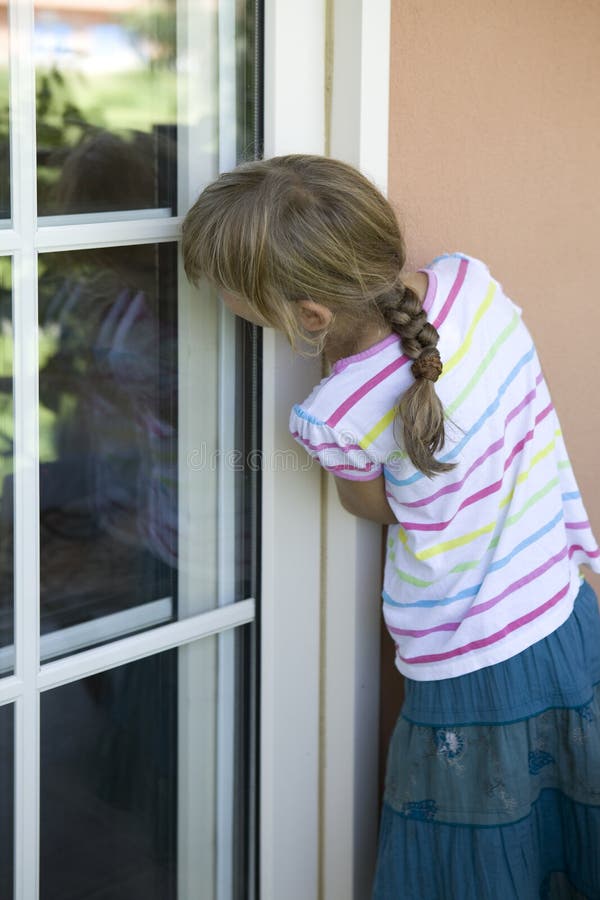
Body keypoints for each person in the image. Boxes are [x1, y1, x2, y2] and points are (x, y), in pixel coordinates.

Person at [182, 154, 600, 899]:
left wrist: (334, 377)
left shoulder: (332, 413)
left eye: (227, 291)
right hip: (565, 609)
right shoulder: (472, 283)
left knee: (478, 863)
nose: (219, 299)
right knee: (569, 809)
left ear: (309, 317)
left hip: (468, 663)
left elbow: (372, 506)